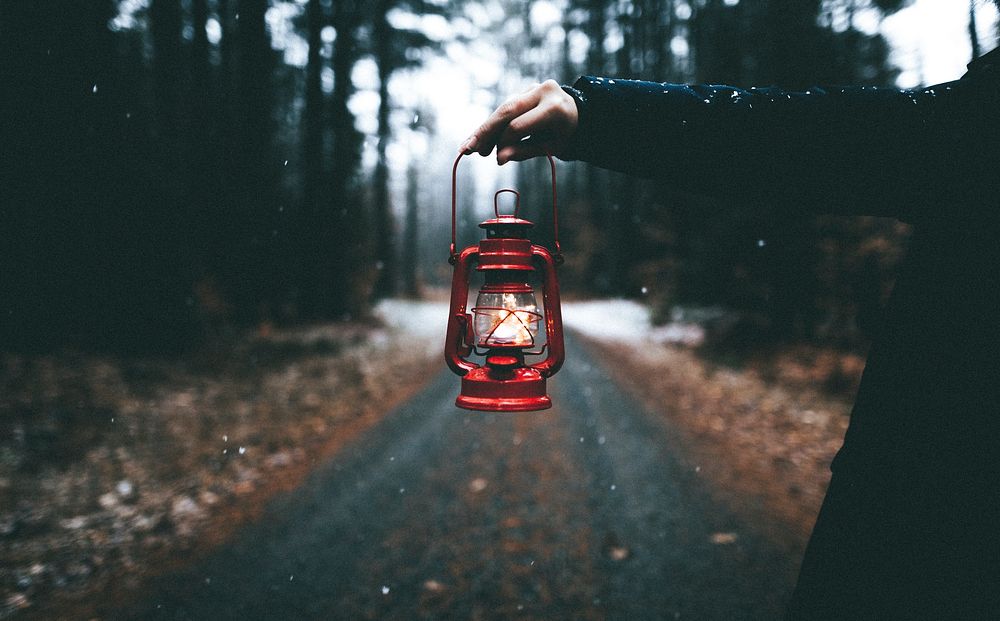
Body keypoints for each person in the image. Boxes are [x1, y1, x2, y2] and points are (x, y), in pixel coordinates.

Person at [462, 40, 1000, 620]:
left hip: (928, 520)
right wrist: (598, 115)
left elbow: (840, 135)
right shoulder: (973, 128)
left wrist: (600, 117)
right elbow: (834, 134)